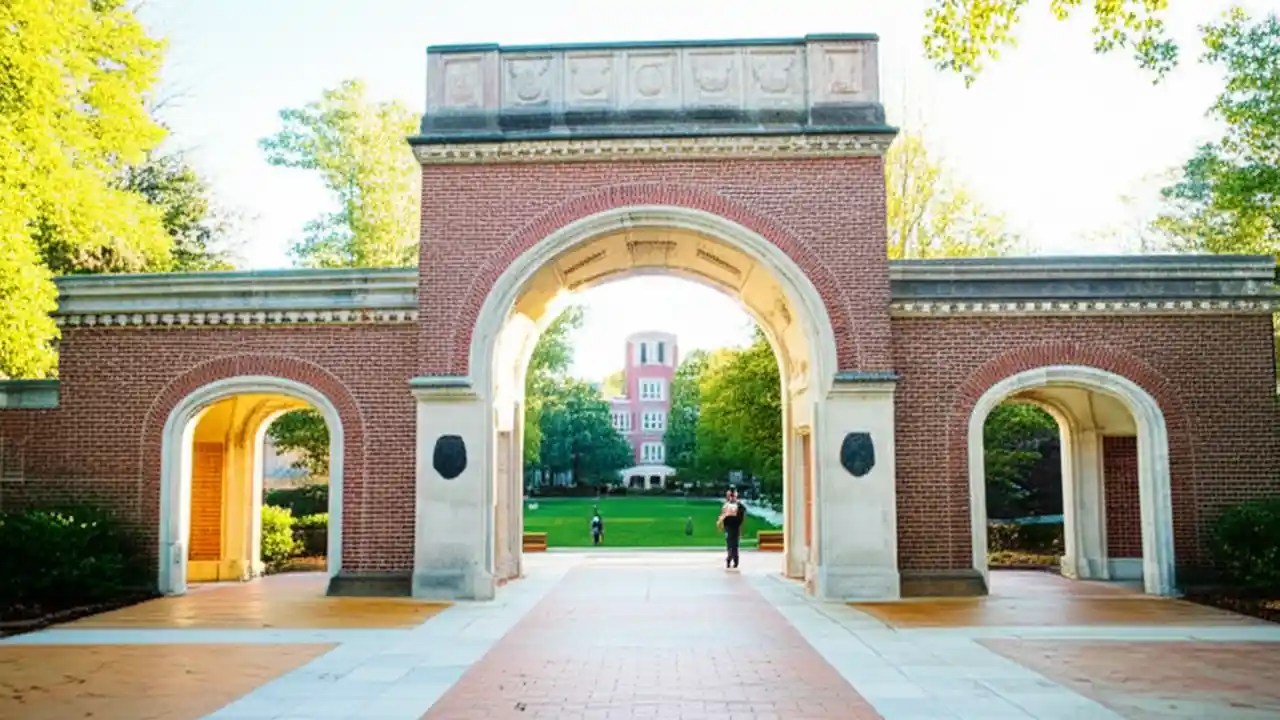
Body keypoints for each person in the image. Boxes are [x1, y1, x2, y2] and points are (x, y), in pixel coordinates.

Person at [716, 488, 747, 569]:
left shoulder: (737, 505)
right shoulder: (729, 505)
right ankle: (731, 558)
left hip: (734, 526)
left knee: (733, 544)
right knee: (731, 543)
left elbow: (741, 515)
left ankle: (732, 559)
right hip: (730, 527)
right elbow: (723, 515)